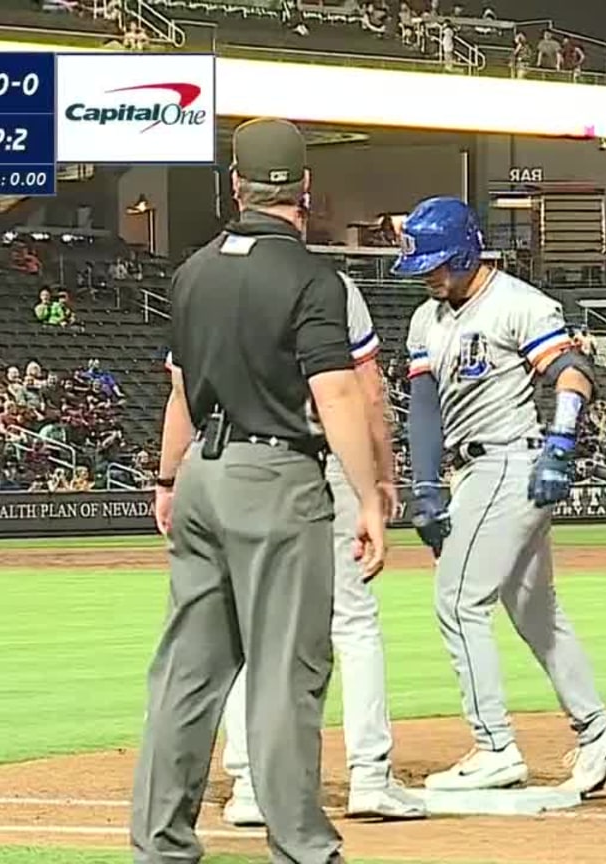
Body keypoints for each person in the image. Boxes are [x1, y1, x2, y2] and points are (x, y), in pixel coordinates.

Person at [131, 117, 388, 864]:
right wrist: (369, 497)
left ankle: (160, 844)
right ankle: (303, 847)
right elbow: (337, 392)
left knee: (186, 673)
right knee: (286, 670)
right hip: (275, 479)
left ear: (235, 185)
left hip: (201, 477)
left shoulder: (192, 272)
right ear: (304, 187)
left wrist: (168, 477)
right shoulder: (312, 278)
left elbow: (180, 392)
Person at [397, 195, 606, 796]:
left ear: (465, 253)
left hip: (510, 460)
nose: (428, 275)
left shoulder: (518, 303)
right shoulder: (427, 319)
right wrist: (425, 485)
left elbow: (572, 371)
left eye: (436, 264)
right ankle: (598, 731)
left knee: (458, 601)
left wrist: (562, 442)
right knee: (534, 609)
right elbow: (424, 407)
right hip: (473, 467)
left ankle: (495, 747)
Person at [216, 269, 427, 828]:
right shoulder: (329, 284)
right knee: (353, 621)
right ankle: (370, 778)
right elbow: (366, 392)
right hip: (324, 458)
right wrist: (380, 478)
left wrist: (169, 480)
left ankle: (249, 786)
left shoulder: (206, 279)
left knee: (251, 627)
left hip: (238, 463)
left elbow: (184, 388)